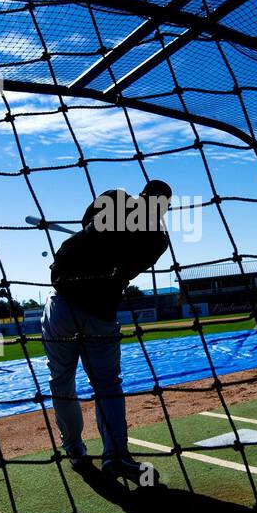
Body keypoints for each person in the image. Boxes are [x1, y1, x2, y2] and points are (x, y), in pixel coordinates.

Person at [42, 179, 172, 480]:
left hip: (65, 299)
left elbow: (86, 221)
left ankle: (74, 450)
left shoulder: (117, 199)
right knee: (108, 385)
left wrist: (110, 233)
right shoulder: (158, 239)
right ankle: (115, 456)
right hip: (100, 308)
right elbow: (125, 262)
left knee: (62, 381)